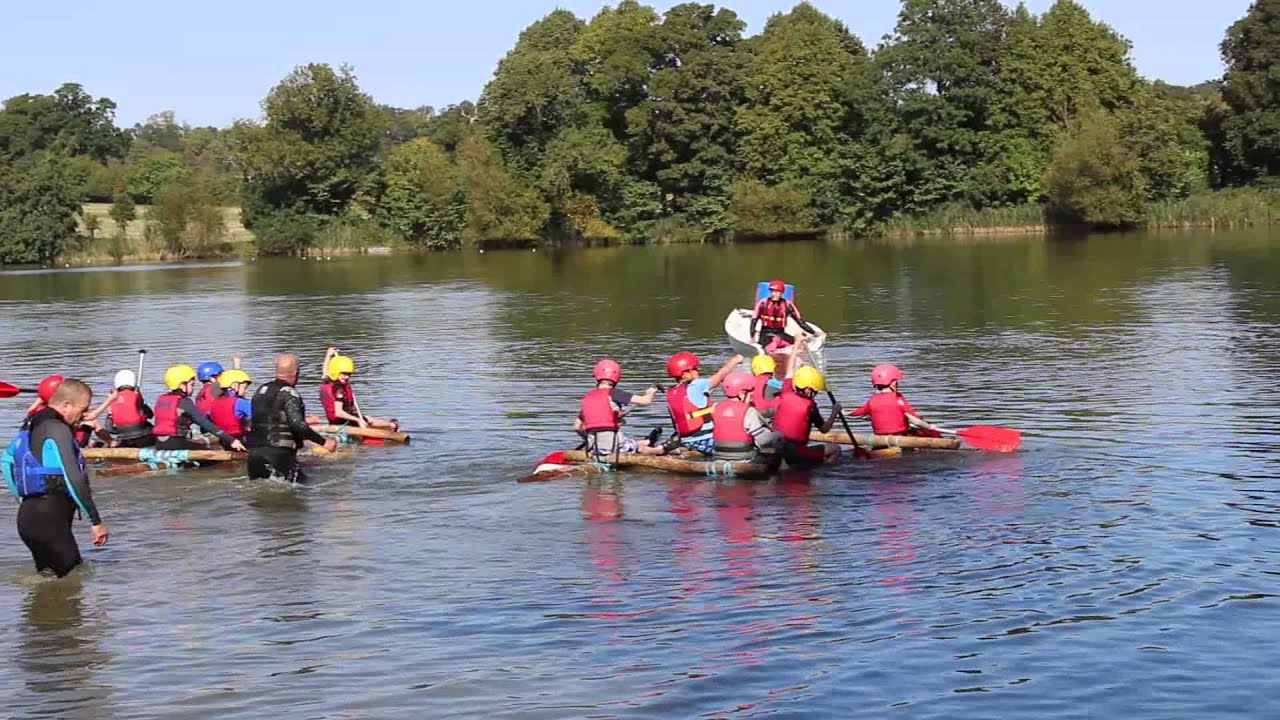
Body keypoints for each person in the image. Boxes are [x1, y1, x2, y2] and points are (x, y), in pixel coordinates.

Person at [2, 379, 108, 577]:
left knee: (48, 581)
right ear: (66, 405)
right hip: (50, 518)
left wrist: (22, 498)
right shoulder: (57, 429)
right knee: (73, 578)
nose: (84, 415)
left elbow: (6, 462)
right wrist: (95, 521)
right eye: (83, 409)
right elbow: (73, 476)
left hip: (27, 518)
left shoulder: (28, 425)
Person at [249, 354, 338, 482]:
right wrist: (324, 442)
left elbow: (267, 420)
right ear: (296, 372)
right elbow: (298, 425)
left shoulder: (260, 390)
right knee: (302, 487)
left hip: (254, 455)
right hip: (279, 454)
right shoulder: (289, 392)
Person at [575, 359, 664, 459]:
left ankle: (647, 441)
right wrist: (651, 391)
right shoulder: (614, 393)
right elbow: (645, 401)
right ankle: (660, 449)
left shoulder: (588, 397)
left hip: (593, 447)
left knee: (628, 442)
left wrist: (589, 437)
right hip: (613, 446)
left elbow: (577, 426)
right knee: (639, 449)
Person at [664, 352, 743, 455]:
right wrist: (735, 361)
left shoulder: (671, 392)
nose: (698, 370)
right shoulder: (697, 385)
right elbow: (720, 376)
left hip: (685, 441)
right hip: (706, 440)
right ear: (685, 374)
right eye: (695, 369)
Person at [152, 364, 246, 452]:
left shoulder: (160, 399)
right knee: (211, 452)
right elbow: (205, 423)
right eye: (191, 384)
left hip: (159, 444)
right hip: (177, 444)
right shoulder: (184, 402)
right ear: (182, 385)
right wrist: (231, 440)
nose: (193, 388)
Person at [772, 366, 842, 467]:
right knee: (835, 449)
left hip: (777, 448)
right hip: (795, 452)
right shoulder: (810, 406)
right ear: (808, 389)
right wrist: (834, 412)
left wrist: (795, 350)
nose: (816, 393)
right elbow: (824, 429)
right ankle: (822, 470)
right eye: (815, 391)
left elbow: (789, 373)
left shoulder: (786, 392)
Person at [844, 363, 940, 437]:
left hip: (880, 437)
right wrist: (930, 427)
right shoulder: (898, 399)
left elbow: (858, 412)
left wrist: (845, 413)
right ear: (893, 383)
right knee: (930, 431)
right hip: (900, 436)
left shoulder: (872, 400)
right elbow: (916, 421)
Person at [319, 349, 399, 431]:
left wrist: (328, 355)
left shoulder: (328, 381)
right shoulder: (339, 390)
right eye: (344, 374)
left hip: (333, 421)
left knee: (368, 418)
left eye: (349, 374)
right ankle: (392, 425)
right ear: (335, 372)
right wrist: (358, 420)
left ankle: (390, 425)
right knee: (368, 420)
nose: (347, 377)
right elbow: (338, 412)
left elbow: (325, 370)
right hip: (343, 421)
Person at [712, 371, 778, 462]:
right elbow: (763, 440)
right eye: (750, 393)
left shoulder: (715, 407)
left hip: (718, 455)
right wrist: (778, 435)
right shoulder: (749, 411)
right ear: (741, 393)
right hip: (744, 457)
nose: (752, 397)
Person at [750, 279, 824, 354]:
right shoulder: (762, 303)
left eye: (776, 292)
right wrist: (752, 337)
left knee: (801, 345)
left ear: (781, 293)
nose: (773, 294)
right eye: (771, 291)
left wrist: (814, 333)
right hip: (766, 335)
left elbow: (801, 322)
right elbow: (753, 322)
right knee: (771, 349)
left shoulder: (788, 305)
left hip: (780, 334)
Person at [100, 370, 156, 448]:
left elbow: (110, 429)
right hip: (144, 437)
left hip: (124, 440)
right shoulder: (137, 396)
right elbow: (150, 415)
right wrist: (142, 401)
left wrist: (121, 431)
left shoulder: (112, 398)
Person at [210, 369, 254, 450]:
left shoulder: (214, 402)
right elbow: (259, 416)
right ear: (234, 386)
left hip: (223, 439)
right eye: (245, 388)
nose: (247, 391)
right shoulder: (241, 402)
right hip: (239, 440)